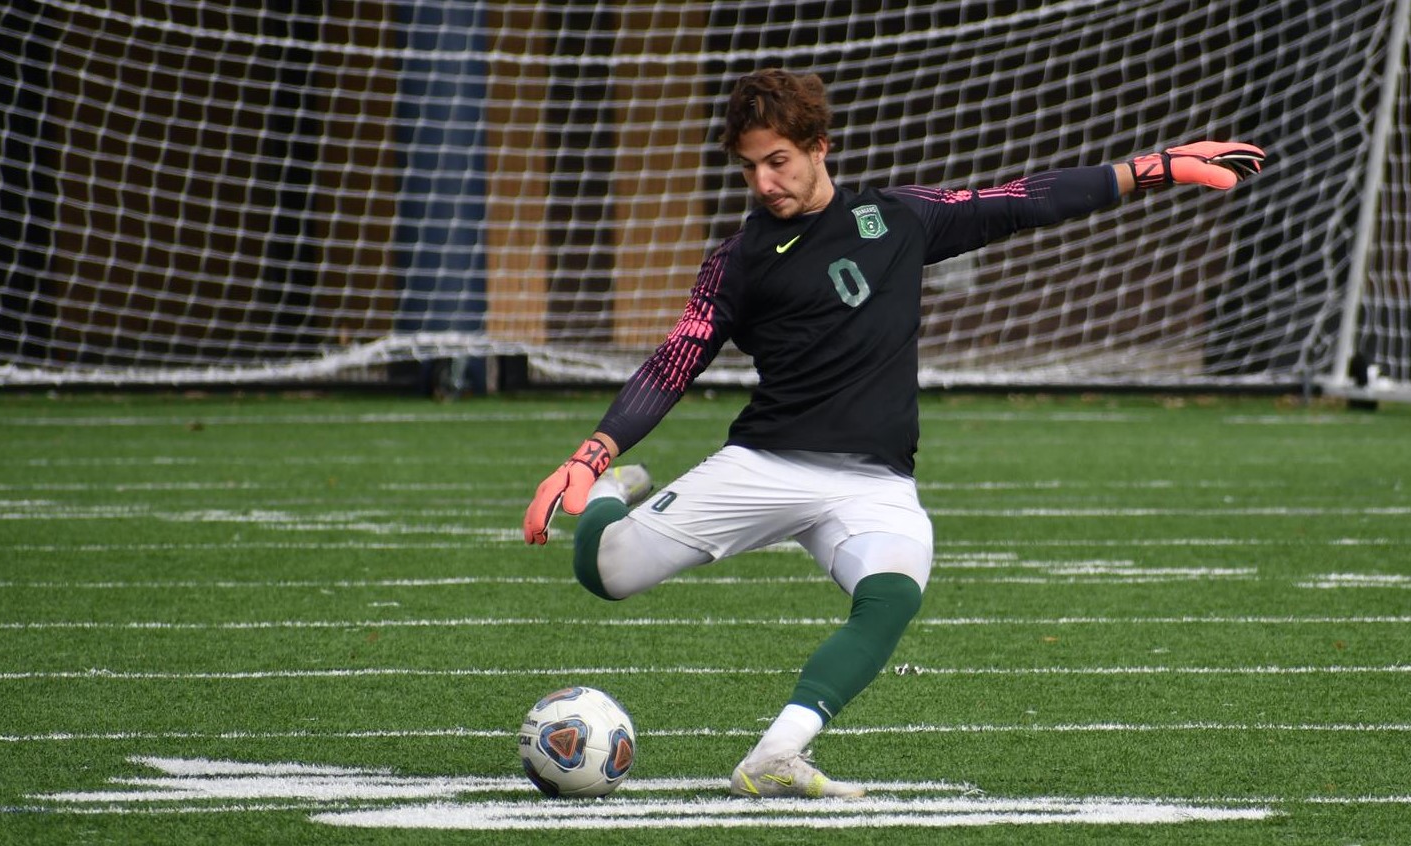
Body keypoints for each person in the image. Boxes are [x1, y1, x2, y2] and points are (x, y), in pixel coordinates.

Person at [524, 68, 1264, 799]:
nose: (763, 183)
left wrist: (1150, 168)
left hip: (874, 483)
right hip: (766, 463)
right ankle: (616, 499)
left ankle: (776, 755)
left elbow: (1020, 200)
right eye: (748, 167)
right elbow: (675, 359)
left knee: (894, 590)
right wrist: (596, 456)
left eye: (777, 161)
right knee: (605, 574)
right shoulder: (736, 262)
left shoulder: (897, 218)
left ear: (820, 147)